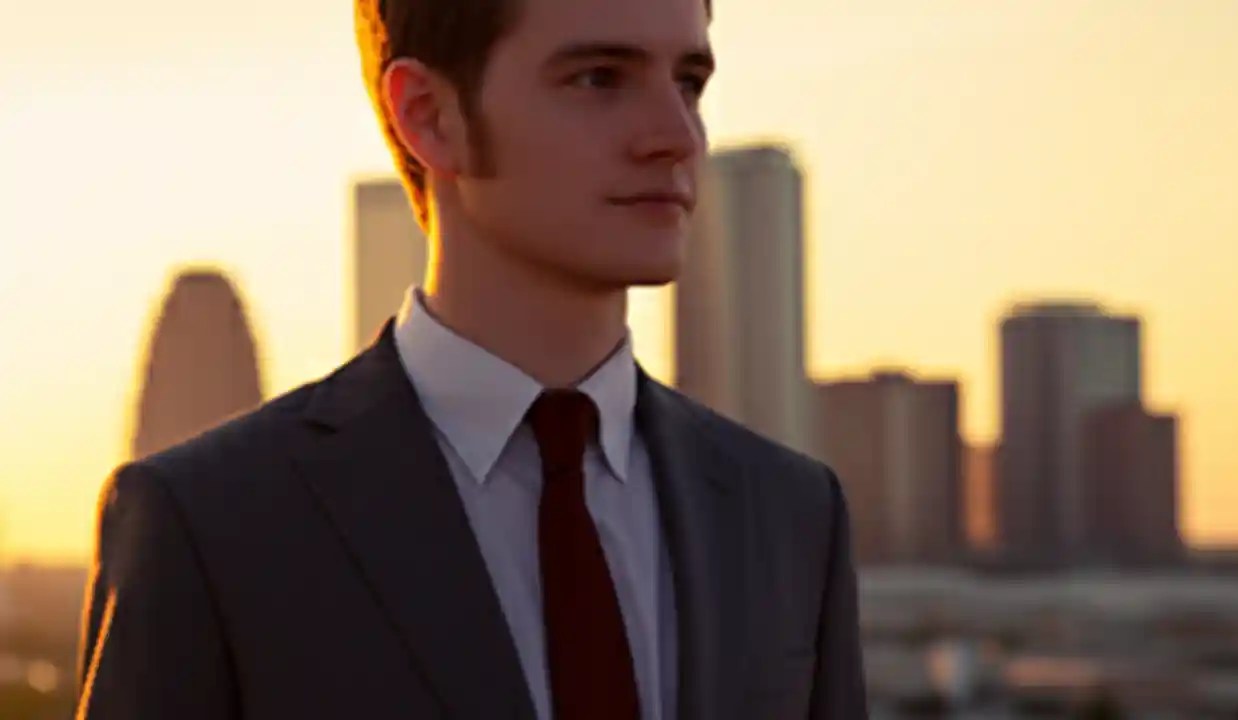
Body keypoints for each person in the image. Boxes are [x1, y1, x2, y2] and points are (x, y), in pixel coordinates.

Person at [75, 0, 867, 716]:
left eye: (689, 82)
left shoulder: (792, 514)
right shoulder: (213, 522)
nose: (678, 137)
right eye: (599, 78)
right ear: (429, 116)